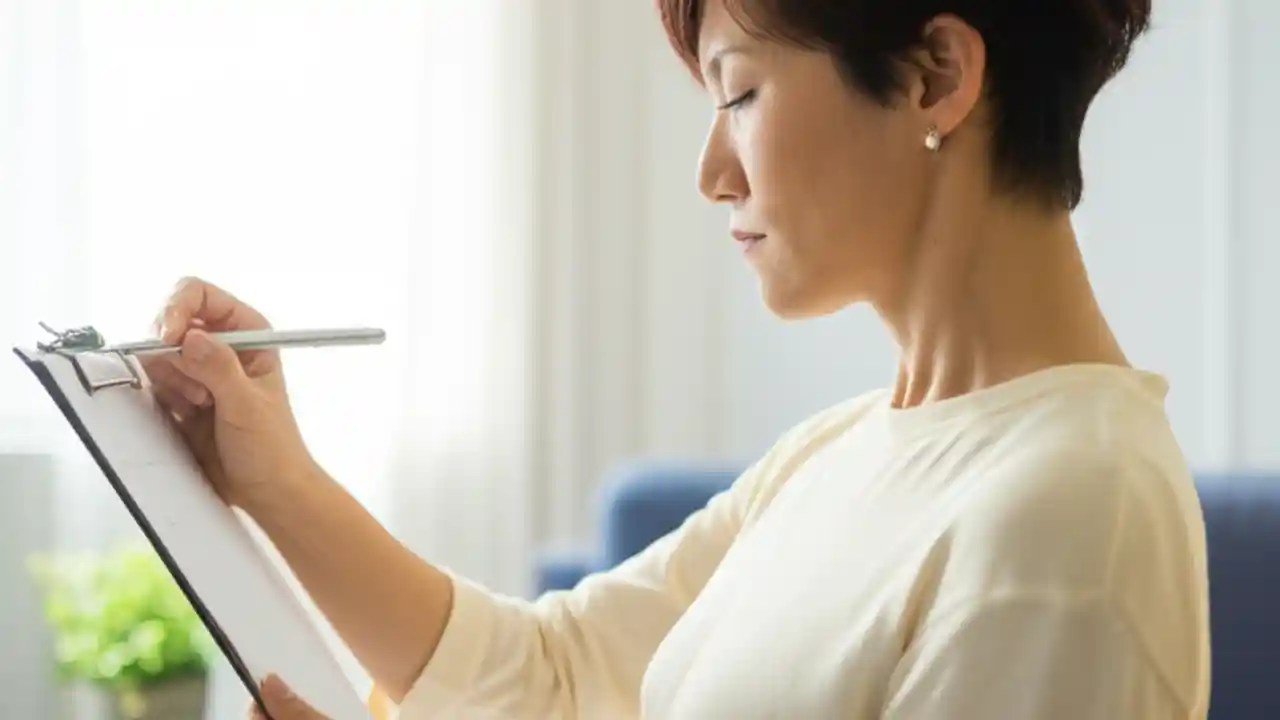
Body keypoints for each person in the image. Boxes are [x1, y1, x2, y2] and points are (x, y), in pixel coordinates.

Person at [146, 0, 1210, 717]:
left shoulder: (1071, 513)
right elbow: (556, 679)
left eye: (738, 94)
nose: (711, 173)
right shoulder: (842, 451)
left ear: (935, 75)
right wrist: (272, 480)